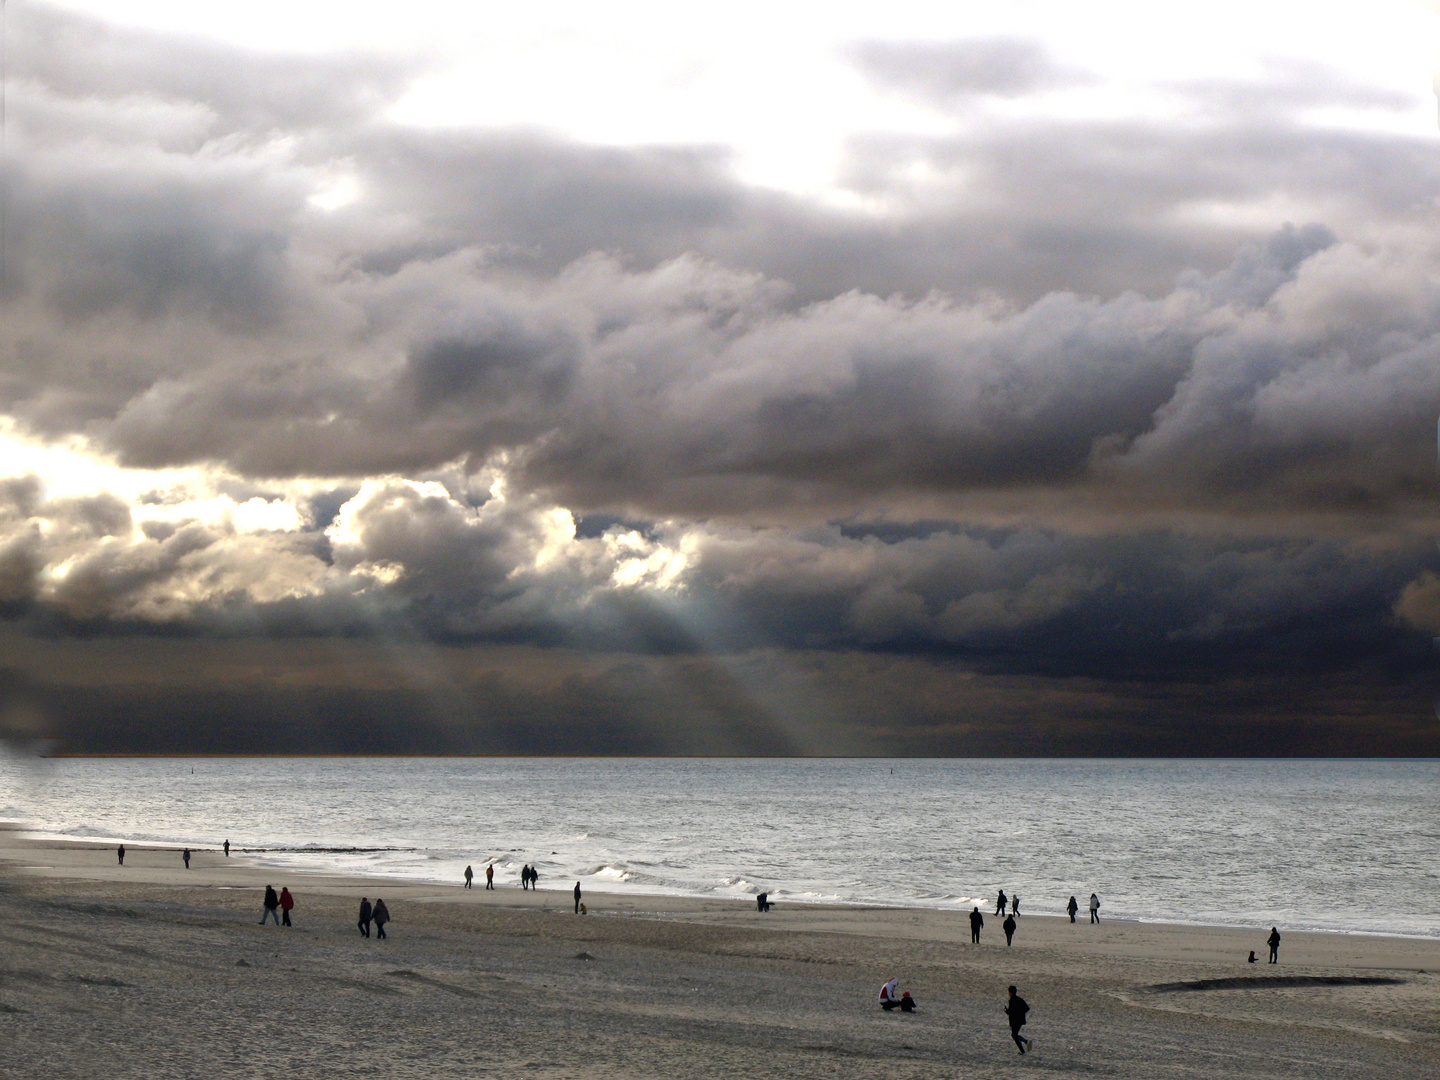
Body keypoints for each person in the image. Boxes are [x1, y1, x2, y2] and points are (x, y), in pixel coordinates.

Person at [1005, 985, 1032, 1054]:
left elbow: (1011, 1012)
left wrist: (1006, 1011)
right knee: (1015, 1034)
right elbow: (1027, 1008)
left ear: (1010, 992)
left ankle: (1024, 1047)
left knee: (1014, 1035)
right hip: (1020, 1020)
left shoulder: (1011, 1000)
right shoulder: (1020, 999)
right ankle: (1025, 1045)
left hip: (1015, 1021)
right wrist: (1021, 1013)